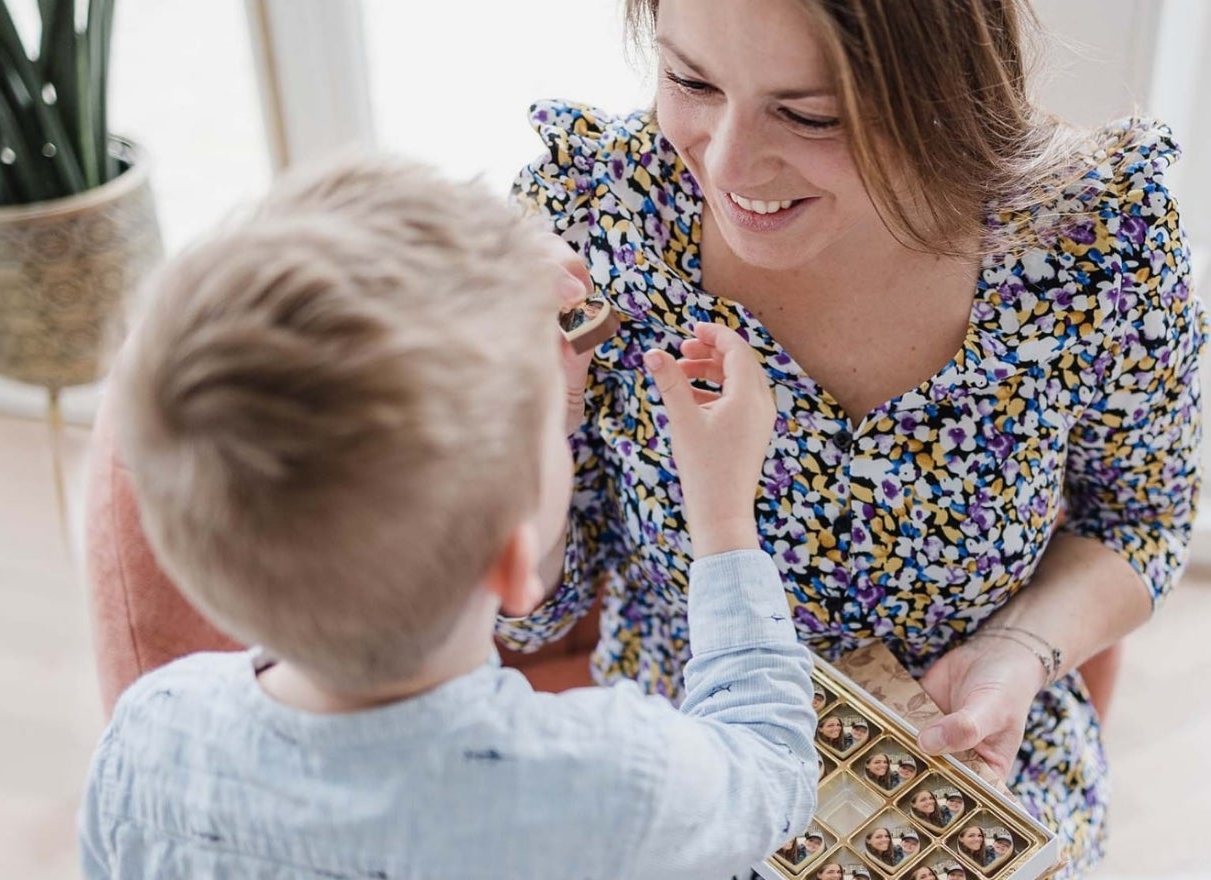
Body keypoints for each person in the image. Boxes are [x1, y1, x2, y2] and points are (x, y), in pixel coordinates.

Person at [496, 1, 1207, 875]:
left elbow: (1141, 522)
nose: (726, 163)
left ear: (942, 87)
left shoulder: (1095, 243)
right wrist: (535, 418)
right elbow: (526, 612)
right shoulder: (599, 218)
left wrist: (1014, 655)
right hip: (683, 773)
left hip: (971, 776)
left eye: (809, 115)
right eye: (690, 81)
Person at [78, 157, 819, 879]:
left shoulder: (152, 732)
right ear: (514, 562)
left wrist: (538, 416)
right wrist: (723, 521)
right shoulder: (611, 781)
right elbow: (770, 769)